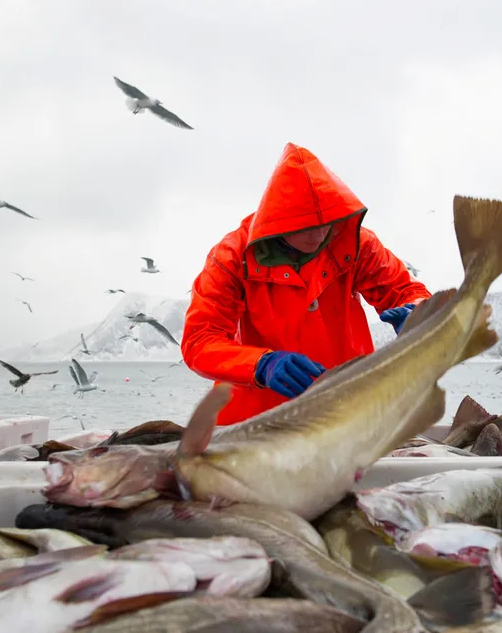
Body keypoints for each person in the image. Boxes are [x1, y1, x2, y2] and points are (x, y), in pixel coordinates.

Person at [181, 142, 432, 426]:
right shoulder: (230, 257)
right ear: (276, 220)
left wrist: (419, 313)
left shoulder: (357, 243)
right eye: (305, 225)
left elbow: (404, 290)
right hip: (255, 423)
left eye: (326, 222)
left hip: (349, 413)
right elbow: (200, 341)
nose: (319, 235)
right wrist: (261, 365)